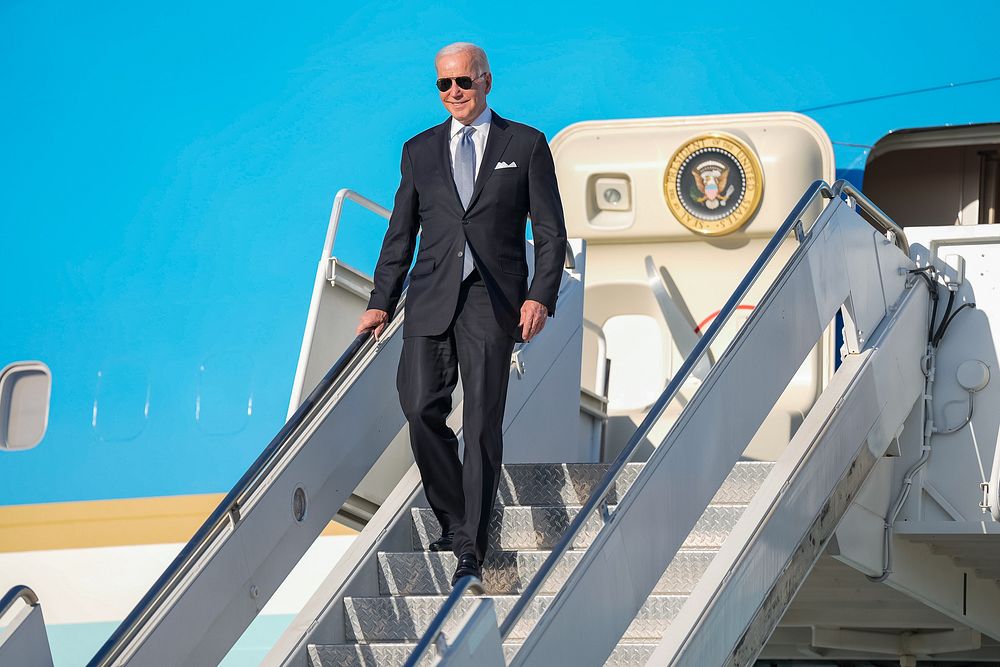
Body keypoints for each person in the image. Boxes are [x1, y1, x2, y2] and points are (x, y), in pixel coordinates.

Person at [356, 42, 567, 586]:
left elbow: (550, 232)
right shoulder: (419, 150)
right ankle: (454, 521)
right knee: (419, 407)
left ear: (486, 81)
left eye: (463, 82)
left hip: (491, 301)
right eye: (444, 84)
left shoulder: (526, 144)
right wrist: (380, 302)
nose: (454, 92)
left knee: (480, 424)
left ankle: (472, 546)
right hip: (430, 296)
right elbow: (400, 233)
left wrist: (540, 295)